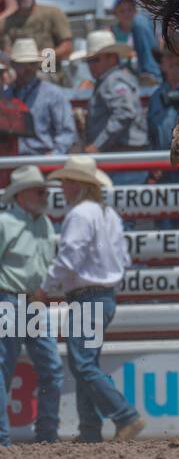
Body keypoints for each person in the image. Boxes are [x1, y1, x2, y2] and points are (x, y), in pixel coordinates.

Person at [39, 155, 147, 442]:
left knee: (83, 364)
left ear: (76, 184)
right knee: (87, 363)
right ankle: (89, 430)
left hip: (87, 297)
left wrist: (46, 286)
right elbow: (123, 257)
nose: (62, 186)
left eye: (65, 181)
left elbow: (69, 257)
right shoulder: (108, 214)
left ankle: (125, 416)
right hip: (104, 296)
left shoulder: (80, 214)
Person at [0, 165, 61, 447]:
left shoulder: (44, 222)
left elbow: (47, 264)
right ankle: (2, 438)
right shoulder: (4, 222)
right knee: (3, 369)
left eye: (45, 191)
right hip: (8, 299)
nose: (45, 195)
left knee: (51, 367)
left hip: (32, 301)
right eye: (40, 191)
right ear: (23, 194)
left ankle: (47, 435)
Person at [74, 30, 149, 168]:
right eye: (89, 61)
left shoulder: (113, 80)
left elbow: (124, 113)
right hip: (121, 154)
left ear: (112, 58)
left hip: (124, 155)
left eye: (95, 60)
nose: (91, 65)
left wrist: (98, 145)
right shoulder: (110, 80)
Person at [6, 38, 77, 155]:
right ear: (13, 65)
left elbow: (68, 132)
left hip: (42, 160)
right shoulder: (5, 94)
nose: (28, 68)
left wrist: (54, 155)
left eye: (32, 63)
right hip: (10, 160)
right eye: (22, 64)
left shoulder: (53, 94)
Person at [2, 0, 74, 70]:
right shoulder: (6, 22)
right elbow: (6, 52)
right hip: (18, 75)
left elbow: (67, 48)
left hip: (48, 71)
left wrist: (39, 60)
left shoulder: (53, 13)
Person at [147, 43, 179, 152]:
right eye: (169, 56)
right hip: (162, 162)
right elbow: (151, 135)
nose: (175, 60)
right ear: (161, 64)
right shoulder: (155, 97)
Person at [110, 0, 161, 83]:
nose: (126, 14)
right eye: (122, 11)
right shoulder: (112, 33)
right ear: (115, 13)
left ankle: (151, 75)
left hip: (140, 70)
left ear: (135, 11)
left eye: (129, 10)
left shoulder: (142, 27)